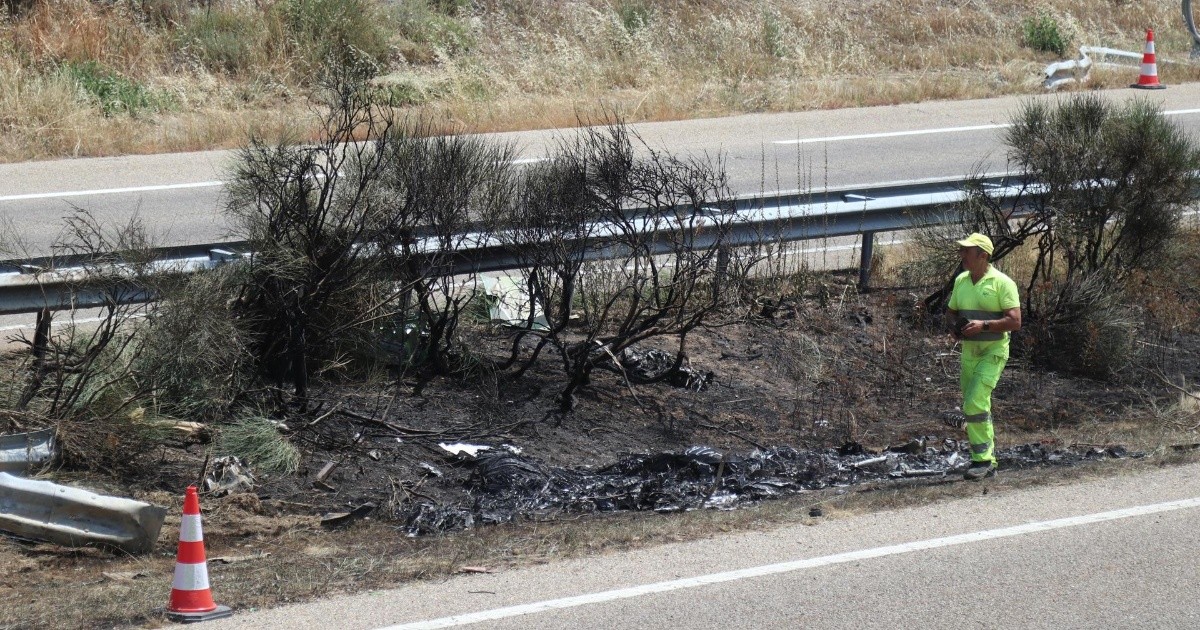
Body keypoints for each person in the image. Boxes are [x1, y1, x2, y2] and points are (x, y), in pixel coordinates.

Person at [945, 233, 1021, 481]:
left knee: (975, 402)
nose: (962, 255)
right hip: (969, 353)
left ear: (983, 255)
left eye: (967, 251)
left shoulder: (1003, 283)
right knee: (974, 406)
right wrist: (955, 328)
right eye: (962, 250)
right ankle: (984, 458)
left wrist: (984, 326)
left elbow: (1015, 321)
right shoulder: (961, 281)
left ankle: (984, 460)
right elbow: (951, 312)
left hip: (993, 352)